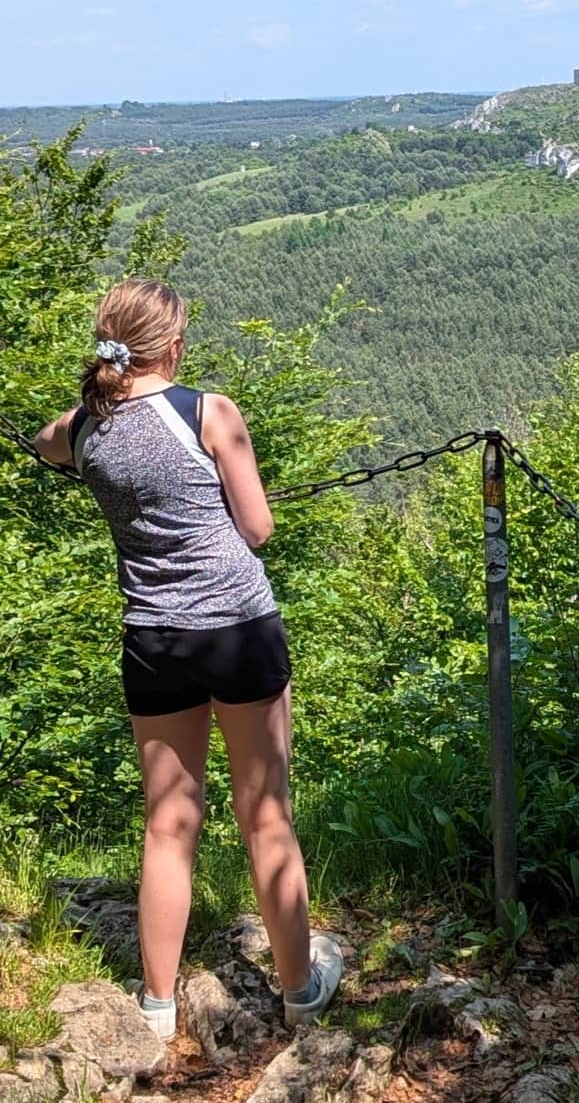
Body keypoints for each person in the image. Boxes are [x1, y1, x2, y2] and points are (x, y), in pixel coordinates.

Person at [34, 278, 342, 1039]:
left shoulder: (85, 428)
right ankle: (301, 989)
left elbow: (45, 442)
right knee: (265, 814)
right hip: (238, 628)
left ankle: (158, 1006)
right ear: (174, 346)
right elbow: (259, 527)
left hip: (154, 639)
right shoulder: (208, 411)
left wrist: (91, 406)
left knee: (168, 823)